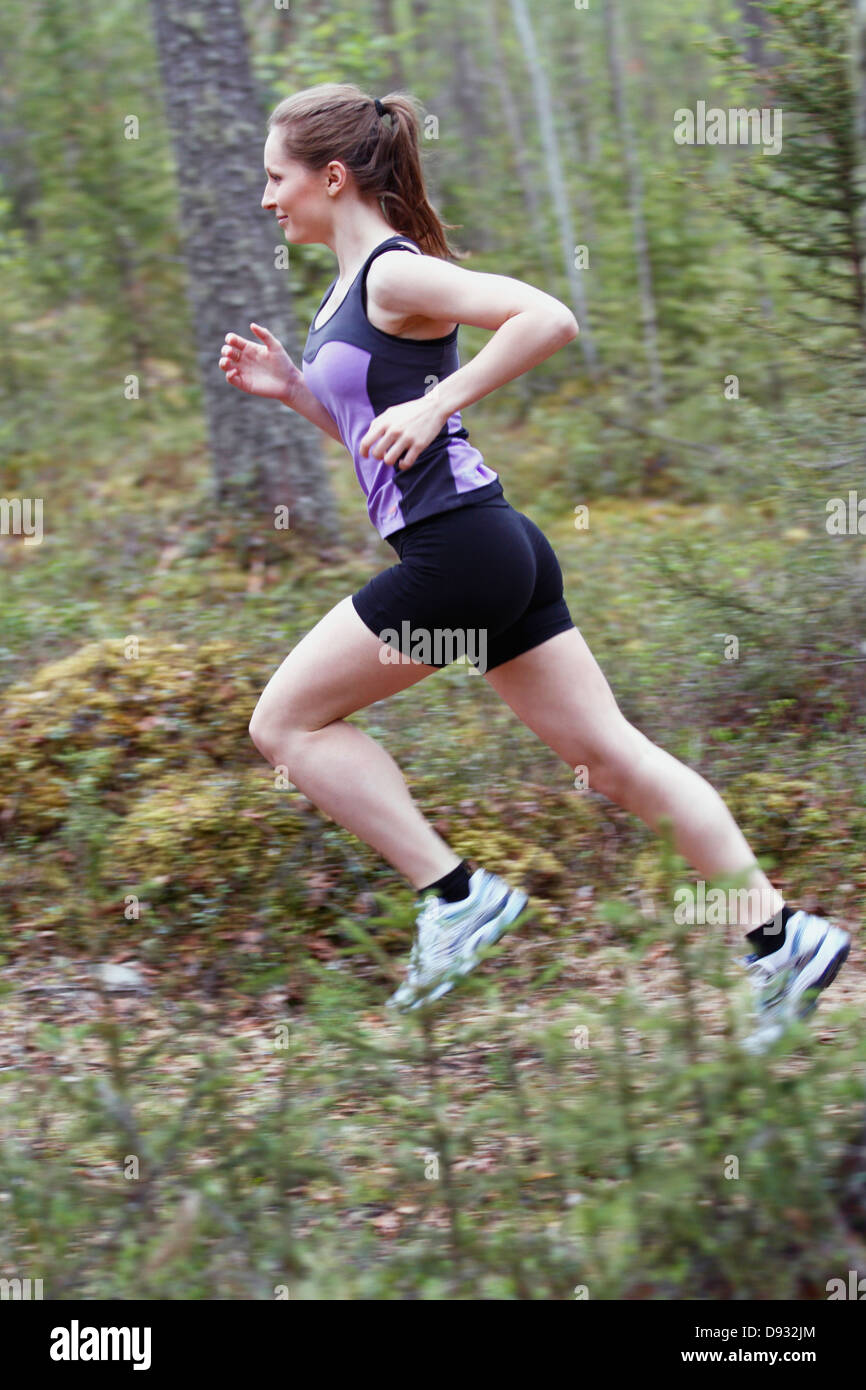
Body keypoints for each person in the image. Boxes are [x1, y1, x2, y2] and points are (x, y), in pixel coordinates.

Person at [218, 83, 849, 1051]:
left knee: (285, 721)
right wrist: (297, 395)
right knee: (610, 759)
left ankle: (456, 895)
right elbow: (377, 430)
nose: (266, 198)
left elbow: (545, 316)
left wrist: (440, 402)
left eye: (276, 177)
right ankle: (777, 937)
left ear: (331, 177)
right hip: (490, 546)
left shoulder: (395, 275)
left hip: (457, 558)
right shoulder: (348, 291)